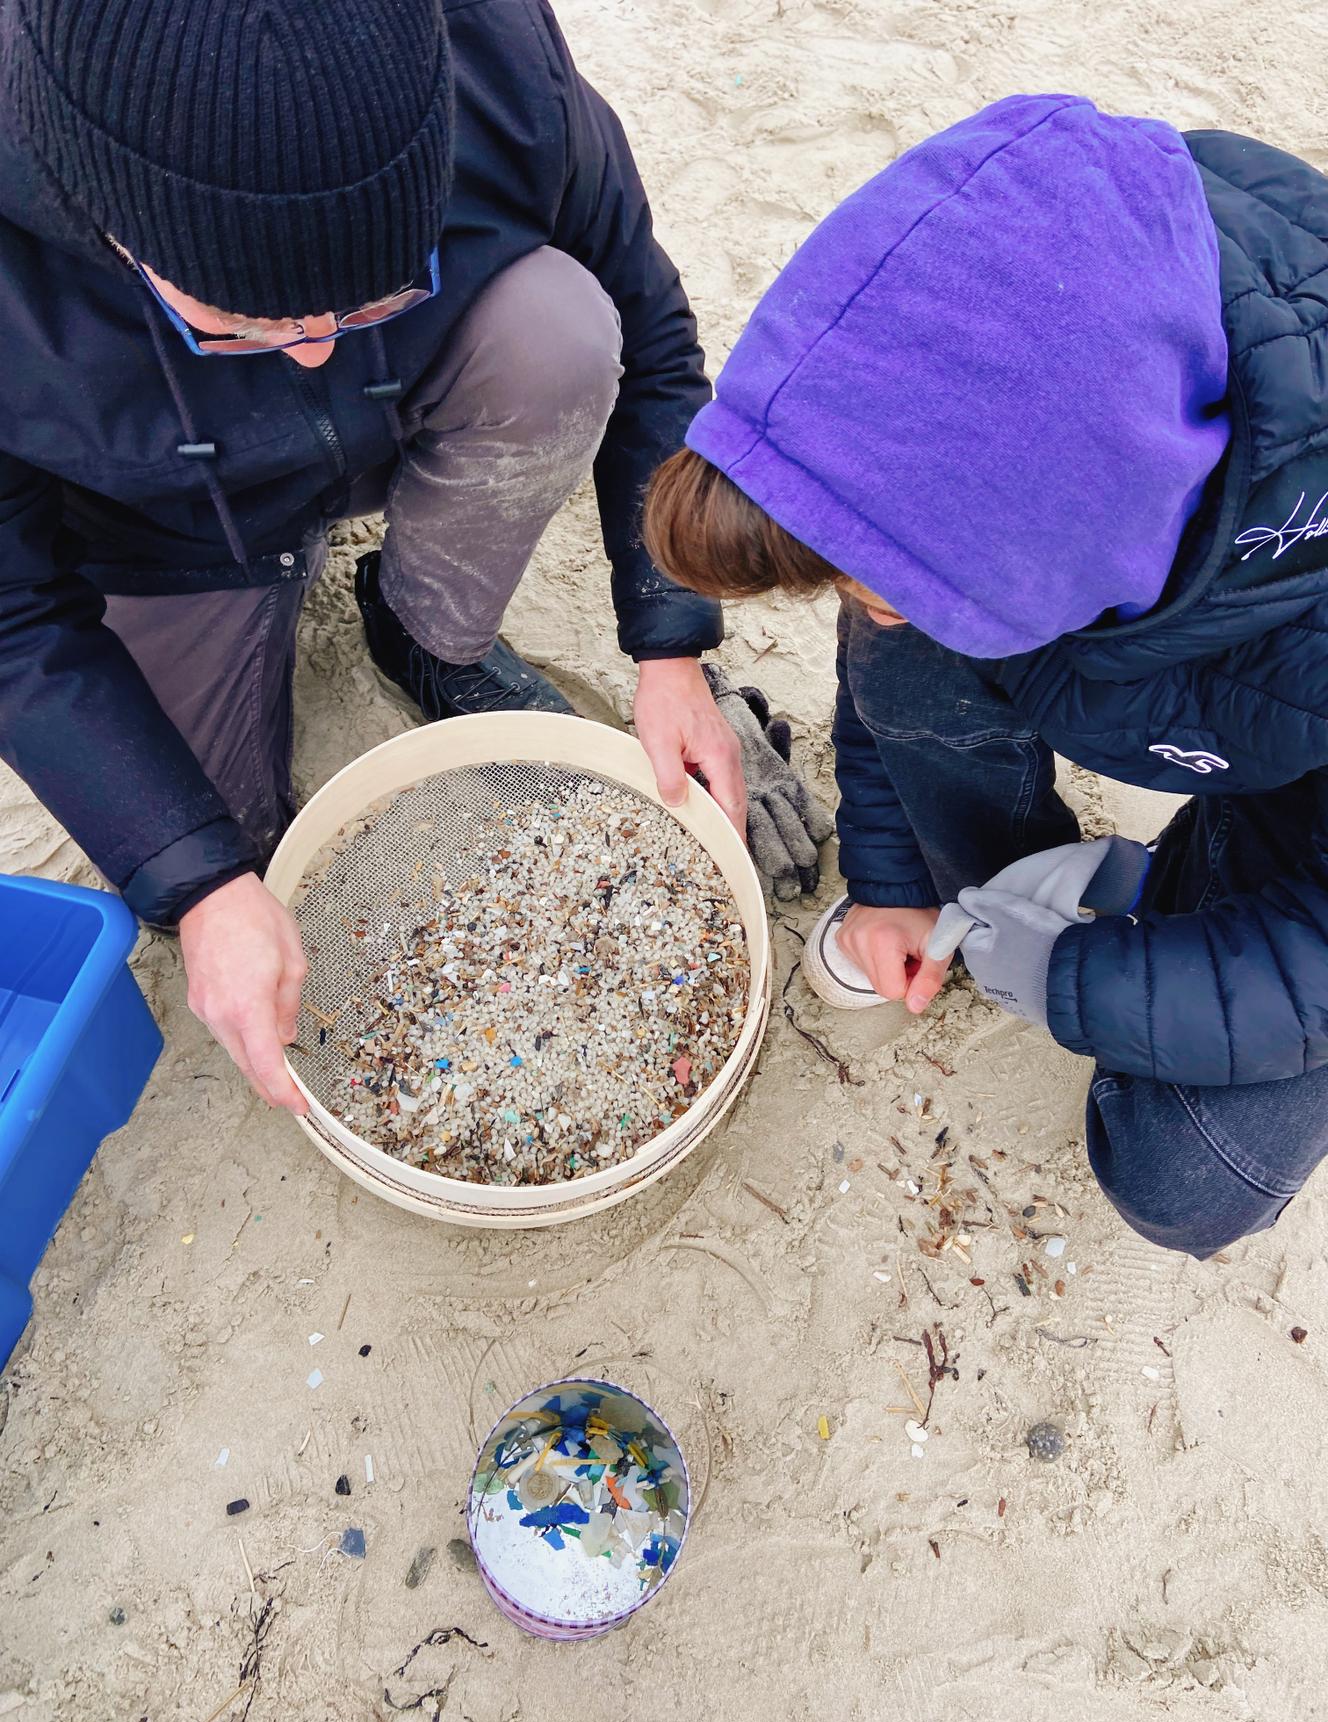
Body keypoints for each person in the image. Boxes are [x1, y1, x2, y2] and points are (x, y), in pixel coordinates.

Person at [0, 0, 829, 1113]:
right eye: (236, 326)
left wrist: (670, 642)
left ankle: (419, 628)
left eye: (369, 293)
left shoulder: (493, 52)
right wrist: (196, 882)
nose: (304, 356)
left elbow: (654, 335)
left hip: (409, 404)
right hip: (161, 524)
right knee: (210, 841)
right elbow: (15, 621)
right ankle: (254, 597)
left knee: (564, 328)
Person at [644, 93, 1328, 1260]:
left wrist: (1074, 979)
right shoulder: (1040, 315)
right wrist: (893, 874)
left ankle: (1177, 884)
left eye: (886, 583)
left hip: (1293, 751)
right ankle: (999, 891)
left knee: (1183, 1178)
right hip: (1183, 659)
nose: (866, 610)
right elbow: (888, 627)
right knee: (909, 640)